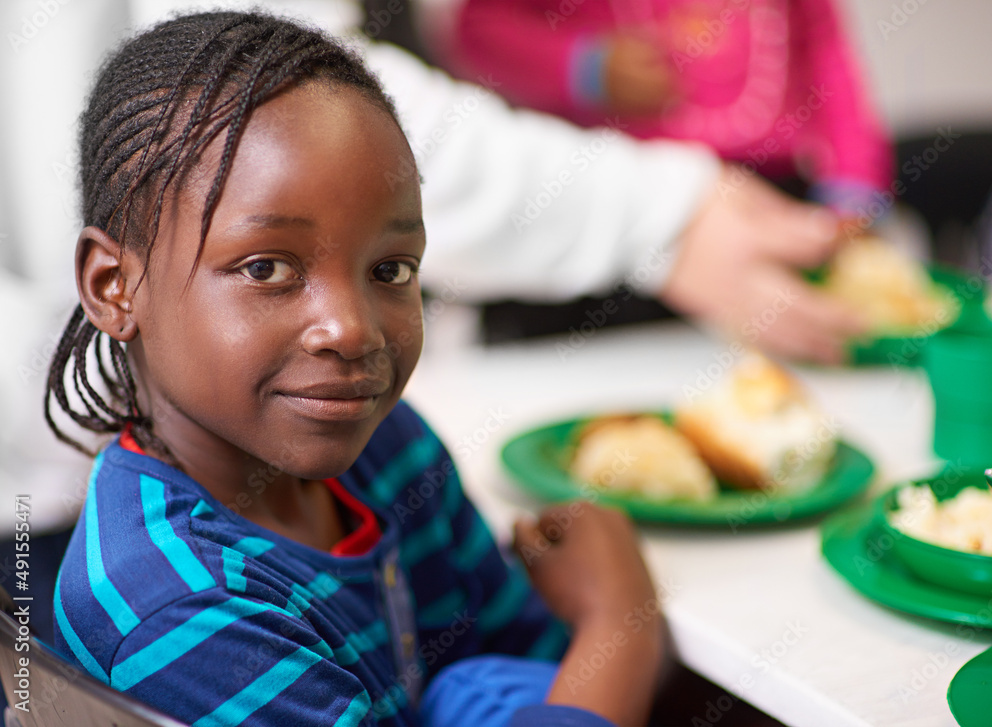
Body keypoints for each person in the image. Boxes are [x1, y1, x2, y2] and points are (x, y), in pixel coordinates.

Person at [46, 11, 670, 726]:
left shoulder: (385, 447)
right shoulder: (170, 603)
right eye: (267, 267)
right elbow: (584, 669)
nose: (351, 328)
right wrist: (623, 621)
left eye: (389, 268)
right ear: (112, 286)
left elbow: (522, 652)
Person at [446, 0, 894, 220]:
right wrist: (584, 66)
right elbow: (479, 30)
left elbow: (826, 57)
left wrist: (854, 181)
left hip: (772, 191)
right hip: (624, 199)